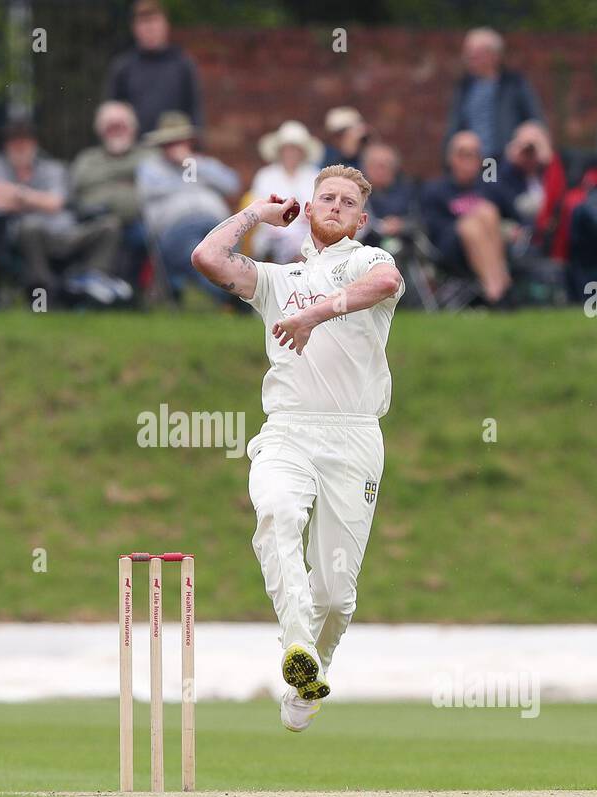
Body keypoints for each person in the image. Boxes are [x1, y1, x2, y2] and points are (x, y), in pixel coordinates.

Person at [190, 166, 404, 732]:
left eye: (348, 202)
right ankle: (296, 646)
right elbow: (207, 259)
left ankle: (311, 672)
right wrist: (256, 215)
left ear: (361, 218)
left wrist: (314, 313)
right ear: (308, 209)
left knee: (335, 596)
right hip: (288, 428)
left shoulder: (367, 261)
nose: (335, 206)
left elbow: (387, 285)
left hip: (354, 434)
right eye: (325, 197)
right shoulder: (277, 278)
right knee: (277, 512)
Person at [0, 120, 125, 304]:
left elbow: (55, 203)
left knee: (110, 225)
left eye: (25, 141)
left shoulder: (53, 168)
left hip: (67, 232)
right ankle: (41, 298)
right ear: (6, 144)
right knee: (30, 227)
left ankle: (90, 287)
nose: (20, 146)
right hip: (30, 237)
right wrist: (38, 200)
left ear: (34, 143)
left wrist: (18, 195)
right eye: (14, 141)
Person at [136, 110, 239, 303]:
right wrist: (188, 172)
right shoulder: (151, 167)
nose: (176, 148)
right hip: (177, 228)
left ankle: (237, 295)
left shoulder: (203, 163)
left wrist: (192, 164)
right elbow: (153, 189)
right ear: (162, 145)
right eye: (170, 143)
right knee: (201, 256)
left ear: (189, 142)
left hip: (217, 223)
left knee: (229, 255)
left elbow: (231, 184)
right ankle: (233, 298)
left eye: (180, 141)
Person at [419, 130, 519, 305]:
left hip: (492, 244)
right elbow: (433, 228)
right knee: (471, 225)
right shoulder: (435, 190)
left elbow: (516, 215)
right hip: (451, 250)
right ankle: (497, 292)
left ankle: (499, 285)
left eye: (474, 154)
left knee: (487, 211)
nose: (468, 160)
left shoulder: (490, 188)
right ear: (450, 158)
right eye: (463, 154)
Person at [70, 101, 147, 284]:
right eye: (110, 126)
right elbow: (81, 181)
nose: (116, 130)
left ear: (132, 128)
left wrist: (104, 179)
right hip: (93, 224)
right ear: (100, 130)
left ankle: (137, 292)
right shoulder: (87, 159)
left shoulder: (147, 155)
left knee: (148, 237)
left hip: (137, 224)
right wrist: (127, 177)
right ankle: (91, 287)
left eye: (121, 125)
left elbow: (153, 177)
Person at [104, 0, 202, 135]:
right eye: (144, 23)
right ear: (134, 28)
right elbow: (112, 115)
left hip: (172, 146)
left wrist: (195, 145)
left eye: (154, 22)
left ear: (166, 26)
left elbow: (194, 111)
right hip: (135, 150)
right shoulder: (123, 67)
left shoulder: (182, 65)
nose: (150, 29)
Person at [444, 27, 541, 160]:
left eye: (476, 54)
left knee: (492, 177)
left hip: (504, 161)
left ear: (494, 55)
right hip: (473, 161)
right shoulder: (464, 87)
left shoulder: (513, 84)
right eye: (468, 53)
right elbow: (455, 126)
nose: (470, 58)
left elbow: (533, 120)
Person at [249, 120, 321, 263]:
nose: (291, 153)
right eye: (287, 148)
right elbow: (257, 209)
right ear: (280, 151)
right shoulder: (265, 176)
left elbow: (319, 209)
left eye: (295, 149)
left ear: (302, 152)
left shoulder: (314, 175)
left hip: (307, 232)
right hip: (272, 232)